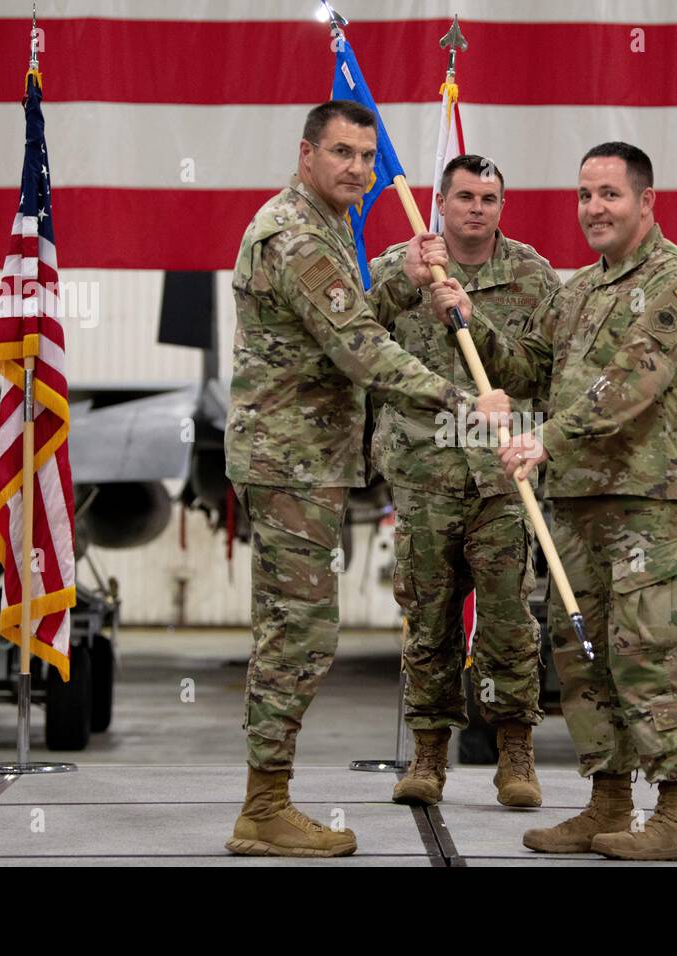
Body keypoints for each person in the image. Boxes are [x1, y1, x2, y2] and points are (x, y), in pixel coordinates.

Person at [224, 100, 509, 857]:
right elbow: (361, 353)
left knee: (299, 631)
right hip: (291, 462)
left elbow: (337, 329)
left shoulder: (318, 229)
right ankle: (263, 809)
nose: (357, 168)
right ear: (306, 153)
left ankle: (268, 799)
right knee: (298, 634)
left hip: (304, 459)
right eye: (342, 152)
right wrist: (463, 400)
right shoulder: (297, 237)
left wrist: (403, 283)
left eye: (366, 155)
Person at [429, 142, 677, 861]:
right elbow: (532, 366)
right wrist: (468, 319)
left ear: (645, 202)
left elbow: (630, 384)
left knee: (649, 652)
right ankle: (608, 803)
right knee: (584, 657)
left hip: (643, 504)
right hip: (575, 504)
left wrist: (547, 440)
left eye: (610, 195)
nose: (594, 208)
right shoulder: (580, 290)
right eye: (584, 194)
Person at [368, 155, 560, 809]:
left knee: (509, 624)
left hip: (501, 483)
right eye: (465, 196)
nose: (478, 208)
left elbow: (540, 371)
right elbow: (354, 340)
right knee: (429, 624)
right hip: (424, 478)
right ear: (440, 202)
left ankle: (515, 753)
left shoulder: (533, 276)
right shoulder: (404, 267)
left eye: (490, 198)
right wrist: (410, 281)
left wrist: (476, 318)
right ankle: (427, 755)